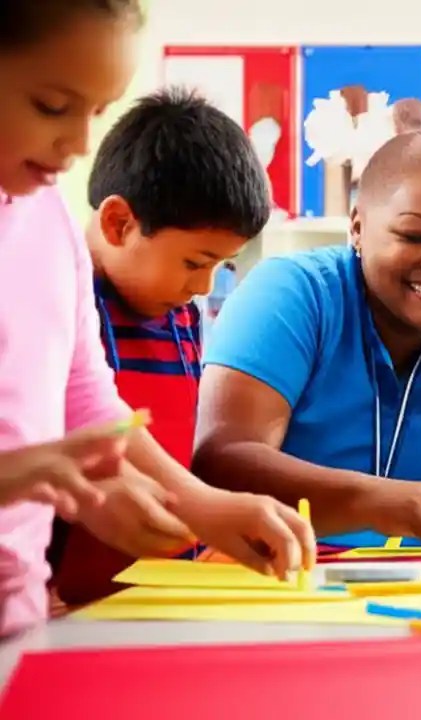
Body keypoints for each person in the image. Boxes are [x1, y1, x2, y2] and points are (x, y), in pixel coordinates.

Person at [0, 0, 313, 635]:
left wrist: (204, 507)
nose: (80, 144)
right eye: (52, 106)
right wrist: (28, 478)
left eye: (96, 112)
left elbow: (88, 397)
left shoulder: (48, 221)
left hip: (20, 615)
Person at [194, 131, 421, 562]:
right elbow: (222, 461)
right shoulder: (292, 292)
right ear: (357, 228)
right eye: (415, 235)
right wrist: (377, 501)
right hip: (276, 570)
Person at [48, 87, 274, 606]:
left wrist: (207, 527)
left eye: (220, 265)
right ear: (119, 223)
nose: (203, 286)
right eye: (194, 263)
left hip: (155, 594)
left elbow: (174, 458)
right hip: (59, 602)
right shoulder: (58, 298)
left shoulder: (181, 316)